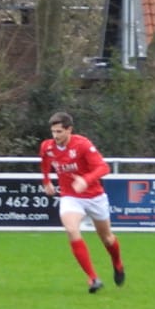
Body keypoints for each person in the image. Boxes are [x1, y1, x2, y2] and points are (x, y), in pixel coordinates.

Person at [40, 111, 124, 293]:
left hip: (94, 196)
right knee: (71, 229)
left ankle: (117, 263)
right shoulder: (47, 147)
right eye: (53, 132)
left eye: (59, 132)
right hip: (71, 197)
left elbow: (103, 167)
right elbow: (45, 162)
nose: (55, 136)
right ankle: (93, 278)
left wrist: (86, 180)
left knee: (107, 238)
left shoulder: (82, 144)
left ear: (69, 130)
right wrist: (46, 180)